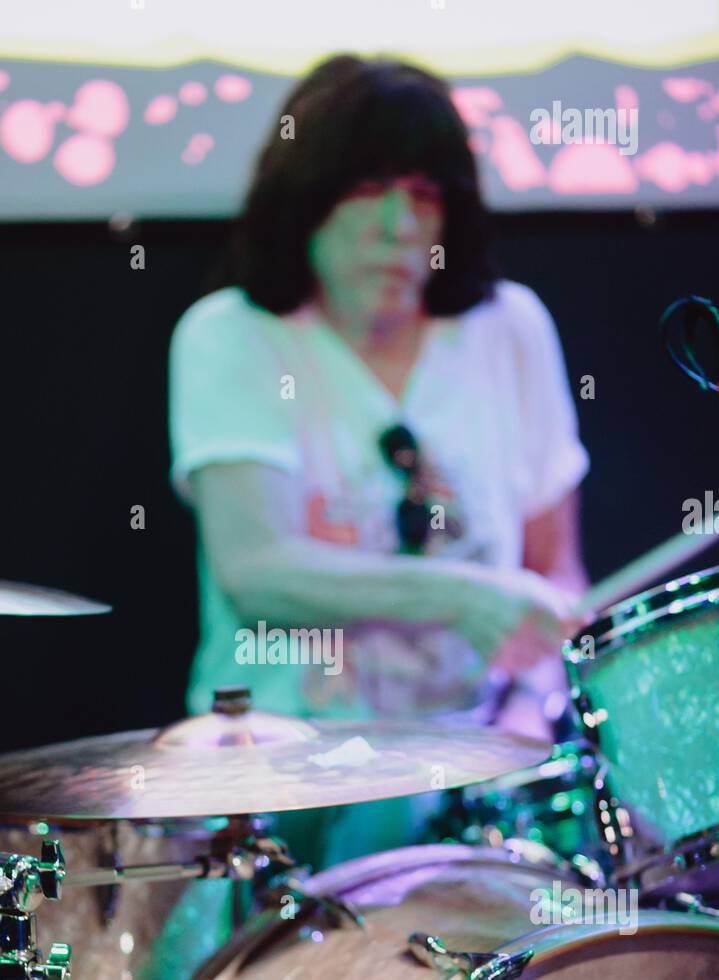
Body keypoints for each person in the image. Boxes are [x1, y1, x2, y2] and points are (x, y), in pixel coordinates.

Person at [169, 54, 589, 869]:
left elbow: (557, 576)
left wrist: (530, 718)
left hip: (476, 774)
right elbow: (255, 568)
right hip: (286, 778)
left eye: (426, 196)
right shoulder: (233, 334)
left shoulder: (511, 329)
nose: (399, 226)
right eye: (368, 190)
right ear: (305, 203)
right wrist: (462, 596)